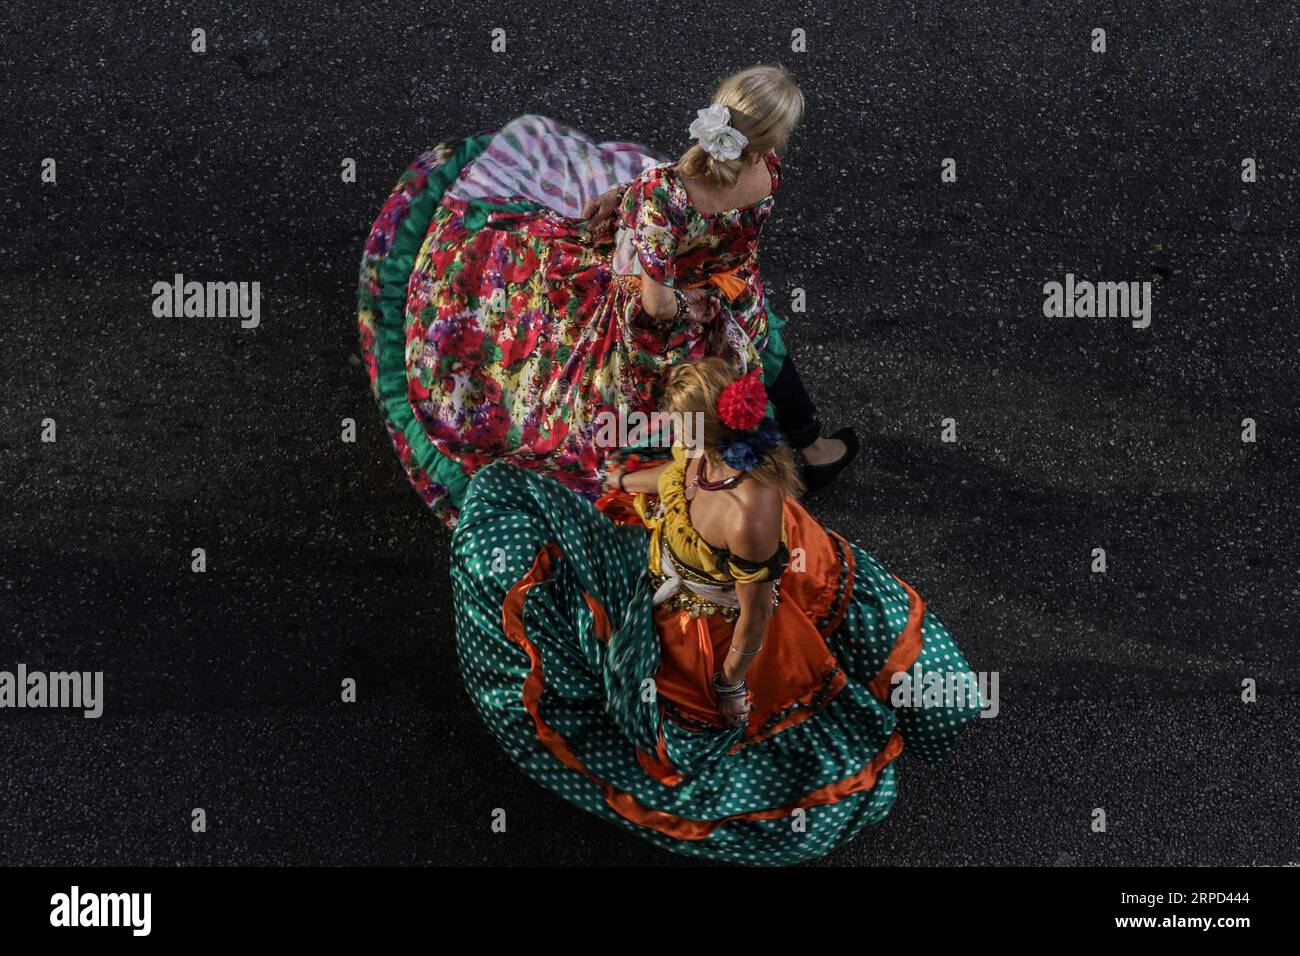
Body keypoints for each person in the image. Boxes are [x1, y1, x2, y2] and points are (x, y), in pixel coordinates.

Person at [448, 358, 980, 864]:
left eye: (681, 422)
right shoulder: (704, 457)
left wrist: (729, 686)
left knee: (704, 708)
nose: (671, 429)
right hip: (678, 576)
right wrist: (620, 483)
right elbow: (677, 477)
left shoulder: (750, 515)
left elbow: (754, 618)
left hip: (713, 626)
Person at [358, 65, 856, 528]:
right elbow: (704, 199)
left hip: (670, 319)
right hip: (735, 296)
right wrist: (635, 199)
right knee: (760, 359)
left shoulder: (666, 194)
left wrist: (686, 298)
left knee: (555, 341)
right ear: (768, 141)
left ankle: (658, 489)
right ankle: (811, 449)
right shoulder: (767, 171)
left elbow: (657, 303)